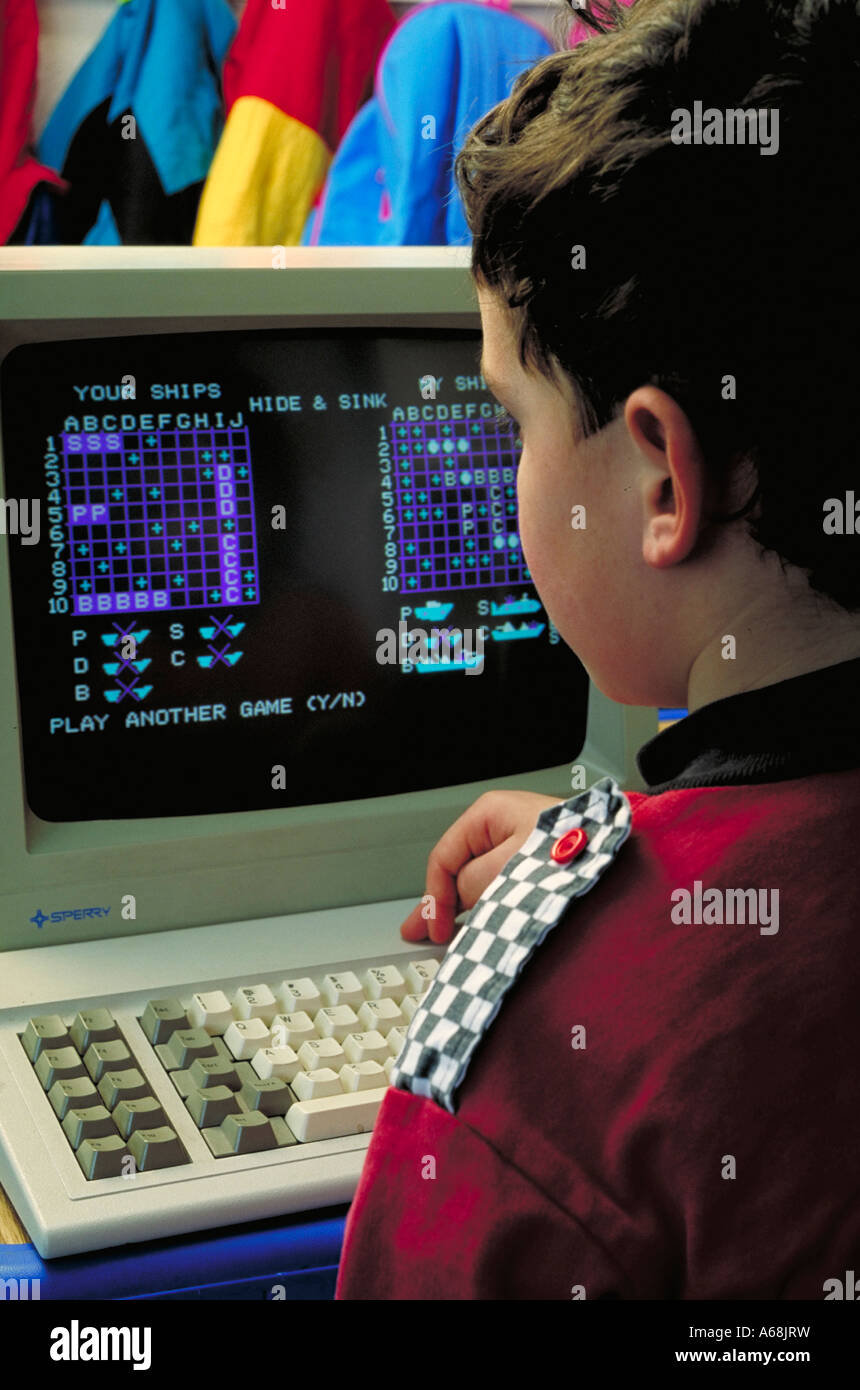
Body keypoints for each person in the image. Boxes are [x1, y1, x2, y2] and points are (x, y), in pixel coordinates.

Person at [337, 0, 860, 1299]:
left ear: (660, 480)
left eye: (513, 414)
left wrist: (583, 915)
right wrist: (638, 852)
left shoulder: (548, 1046)